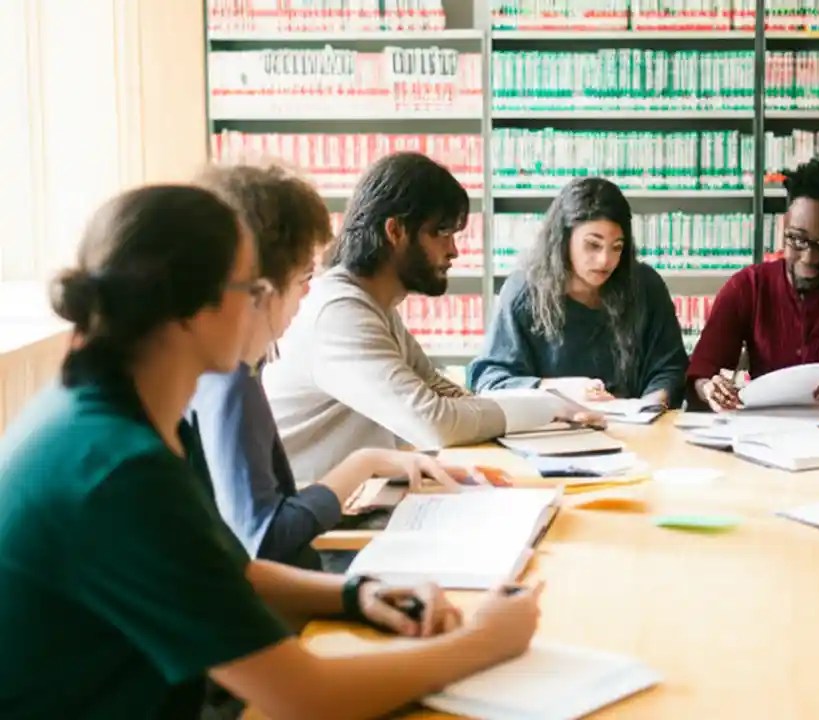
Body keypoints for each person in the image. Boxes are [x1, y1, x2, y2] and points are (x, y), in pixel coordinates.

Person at [0, 185, 543, 718]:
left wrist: (357, 594)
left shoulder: (114, 407)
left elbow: (229, 571)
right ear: (194, 309)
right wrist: (483, 642)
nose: (276, 304)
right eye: (252, 289)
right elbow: (306, 697)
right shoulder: (121, 469)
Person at [188, 164, 478, 570]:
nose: (310, 290)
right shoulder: (228, 379)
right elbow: (264, 543)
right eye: (304, 275)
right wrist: (367, 463)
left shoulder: (234, 369)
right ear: (256, 286)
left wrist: (353, 598)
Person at [263, 153, 589, 484]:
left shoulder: (374, 306)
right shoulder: (339, 312)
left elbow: (441, 391)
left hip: (347, 502)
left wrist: (544, 405)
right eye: (441, 233)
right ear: (395, 231)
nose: (454, 251)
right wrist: (543, 408)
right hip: (305, 515)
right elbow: (433, 422)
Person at [685, 159, 819, 419]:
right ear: (783, 230)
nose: (810, 258)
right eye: (798, 240)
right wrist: (710, 388)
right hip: (762, 432)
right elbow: (701, 373)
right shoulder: (748, 287)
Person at [468, 177, 688, 406]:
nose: (605, 260)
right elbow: (490, 380)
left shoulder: (645, 285)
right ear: (563, 240)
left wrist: (648, 408)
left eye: (617, 247)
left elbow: (670, 367)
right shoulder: (524, 291)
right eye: (593, 245)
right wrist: (560, 389)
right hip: (551, 431)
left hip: (636, 431)